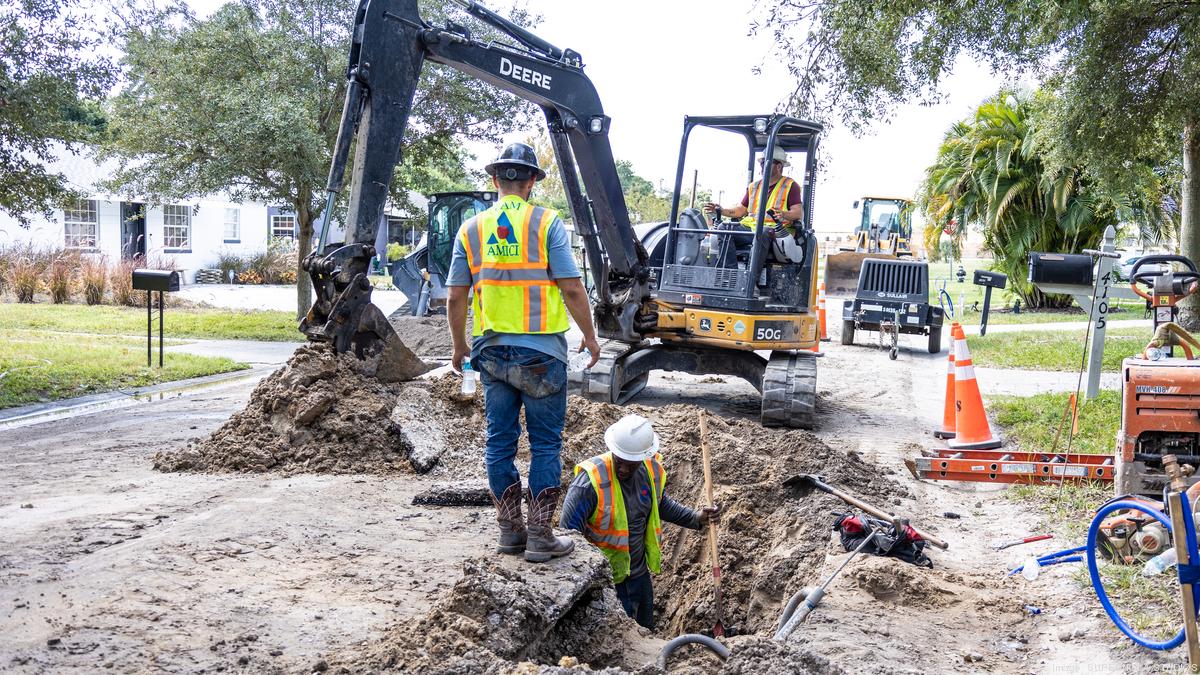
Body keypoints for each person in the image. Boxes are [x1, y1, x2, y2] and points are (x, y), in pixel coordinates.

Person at [446, 142, 601, 564]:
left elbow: (456, 296)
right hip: (542, 354)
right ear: (532, 181)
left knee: (499, 442)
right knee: (546, 445)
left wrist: (459, 345)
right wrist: (589, 336)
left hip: (492, 351)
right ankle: (540, 536)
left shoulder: (471, 229)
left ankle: (510, 532)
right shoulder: (547, 223)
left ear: (495, 179)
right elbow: (572, 287)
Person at [560, 414, 721, 629]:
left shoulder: (649, 471)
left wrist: (695, 518)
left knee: (645, 631)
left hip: (638, 574)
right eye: (620, 461)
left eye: (631, 464)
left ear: (643, 457)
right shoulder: (589, 483)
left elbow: (659, 504)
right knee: (618, 637)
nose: (624, 469)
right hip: (605, 583)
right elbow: (569, 534)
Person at [703, 145, 804, 232]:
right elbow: (741, 210)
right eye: (762, 163)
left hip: (777, 231)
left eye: (766, 163)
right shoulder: (754, 186)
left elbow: (797, 213)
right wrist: (721, 210)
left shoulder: (790, 185)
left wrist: (783, 214)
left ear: (779, 167)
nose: (763, 166)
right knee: (723, 228)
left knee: (763, 233)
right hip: (752, 228)